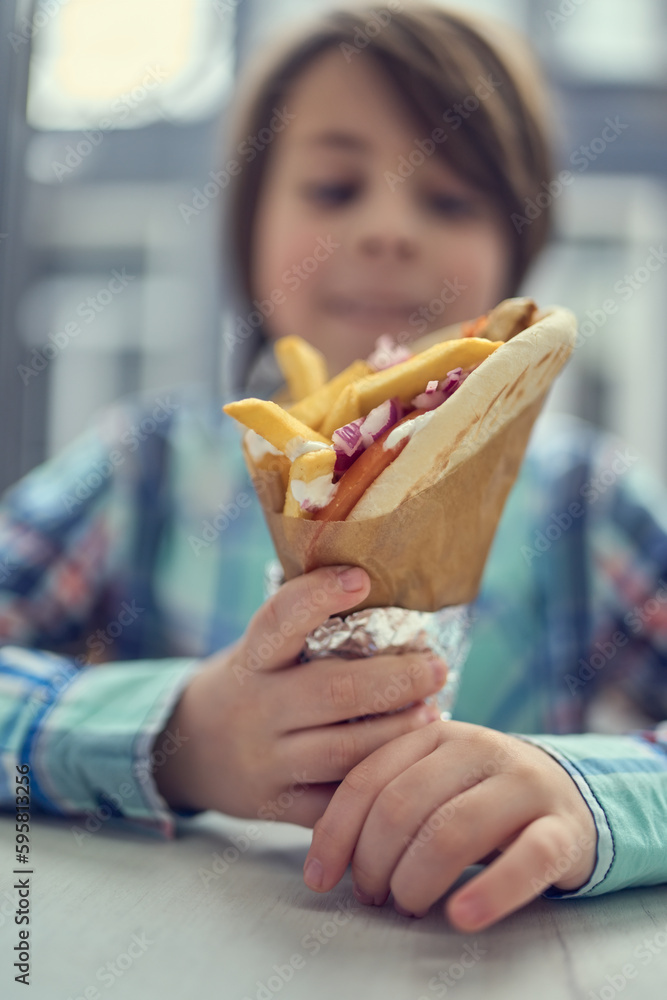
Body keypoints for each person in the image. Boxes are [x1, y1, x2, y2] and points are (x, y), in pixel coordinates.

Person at [2, 4, 667, 934]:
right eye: (333, 185)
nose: (389, 229)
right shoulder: (142, 475)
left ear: (517, 251)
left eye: (448, 200)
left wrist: (591, 800)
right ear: (245, 229)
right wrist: (174, 737)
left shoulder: (591, 508)